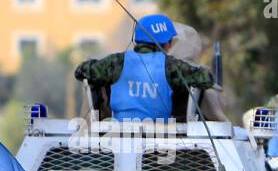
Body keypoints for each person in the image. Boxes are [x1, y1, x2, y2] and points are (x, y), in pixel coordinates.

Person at [74, 13, 214, 121]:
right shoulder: (171, 66)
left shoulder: (117, 62)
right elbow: (206, 79)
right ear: (166, 43)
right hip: (160, 138)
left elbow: (81, 71)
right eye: (171, 40)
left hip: (119, 134)